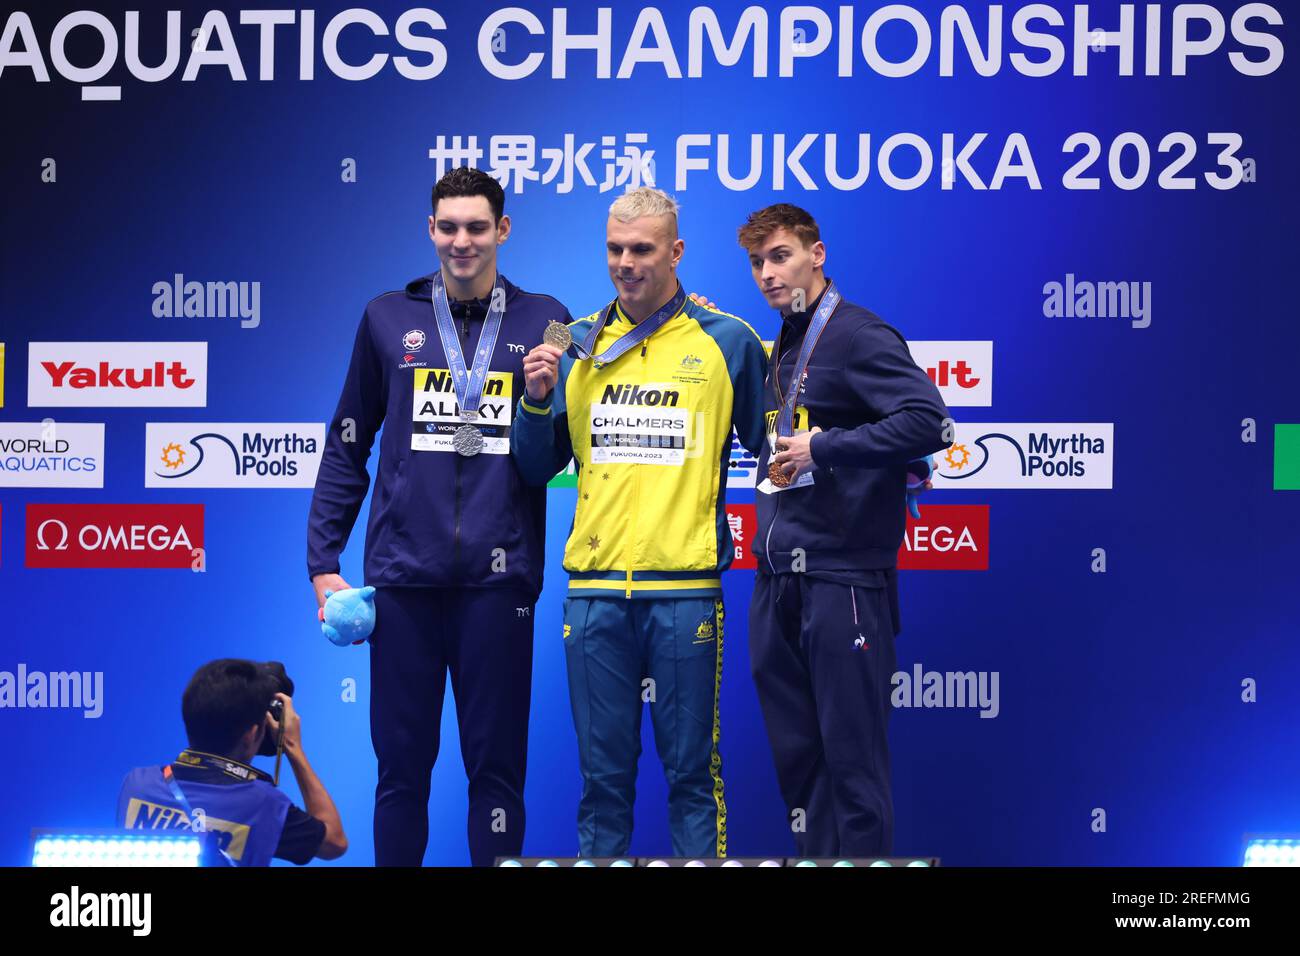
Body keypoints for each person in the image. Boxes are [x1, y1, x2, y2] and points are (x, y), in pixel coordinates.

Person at [306, 166, 571, 866]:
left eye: (477, 227)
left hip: (498, 584)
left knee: (496, 775)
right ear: (430, 230)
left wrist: (542, 398)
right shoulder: (386, 318)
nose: (462, 241)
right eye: (448, 227)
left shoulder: (545, 319)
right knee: (401, 773)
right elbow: (346, 445)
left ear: (503, 231)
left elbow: (550, 460)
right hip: (404, 586)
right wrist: (322, 563)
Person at [511, 187, 767, 858]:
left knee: (691, 778)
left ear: (676, 251)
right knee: (602, 783)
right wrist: (536, 400)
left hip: (684, 593)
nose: (626, 263)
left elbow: (777, 451)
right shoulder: (571, 342)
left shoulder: (729, 341)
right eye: (615, 249)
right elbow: (537, 466)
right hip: (593, 594)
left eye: (643, 249)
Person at [739, 202, 950, 858]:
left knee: (853, 768)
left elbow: (931, 423)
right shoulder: (786, 341)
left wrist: (824, 447)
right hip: (778, 583)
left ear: (817, 253)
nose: (769, 274)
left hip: (842, 582)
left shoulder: (858, 333)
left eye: (781, 256)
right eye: (757, 262)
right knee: (800, 767)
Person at [116, 658, 346, 866]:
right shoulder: (263, 805)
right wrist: (293, 748)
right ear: (251, 735)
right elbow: (334, 842)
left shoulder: (137, 784)